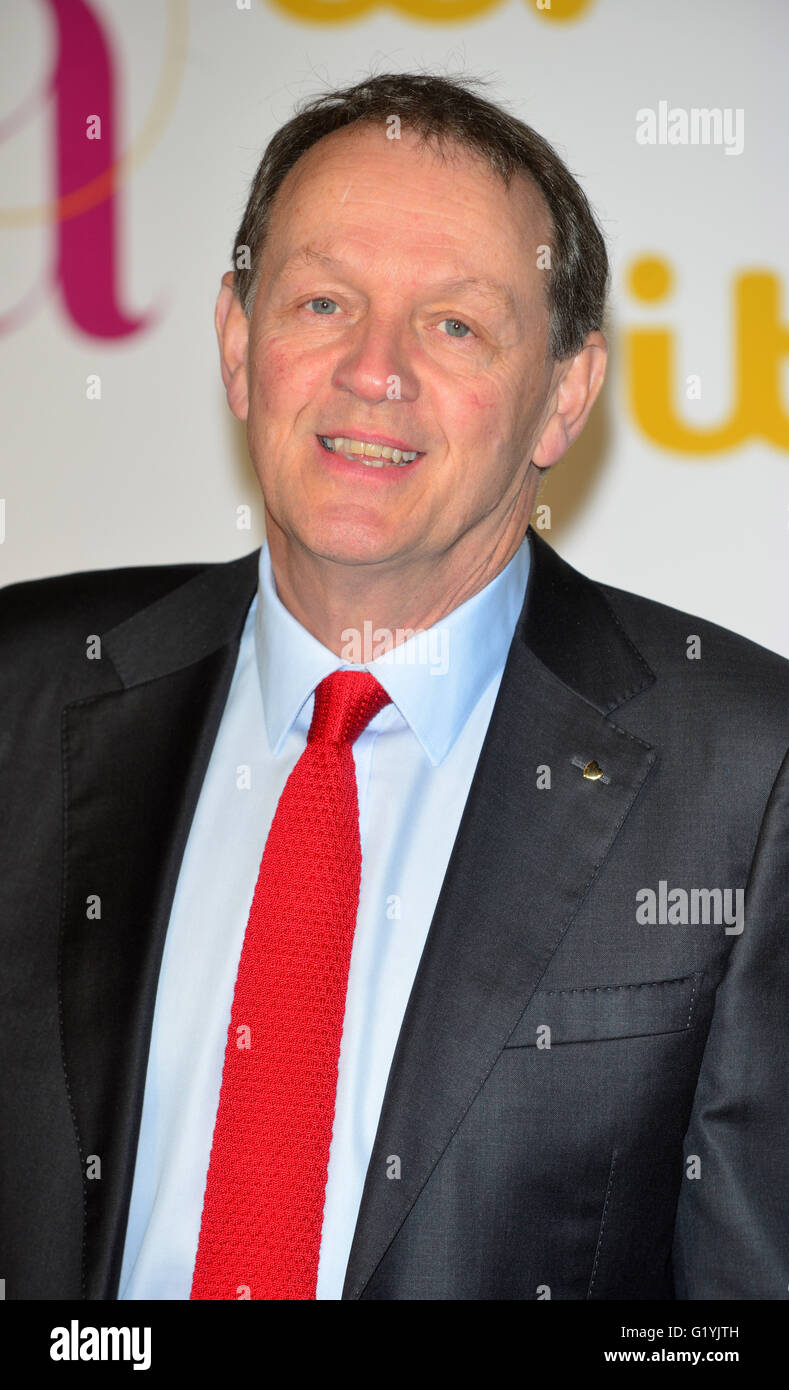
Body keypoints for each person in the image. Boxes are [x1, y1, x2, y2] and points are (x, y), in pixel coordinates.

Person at [1, 72, 787, 1302]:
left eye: (456, 325)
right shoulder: (24, 692)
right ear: (237, 343)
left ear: (564, 399)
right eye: (322, 301)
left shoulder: (745, 774)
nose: (375, 371)